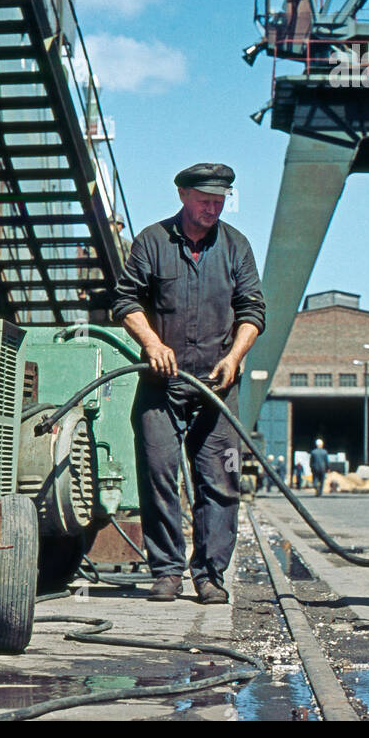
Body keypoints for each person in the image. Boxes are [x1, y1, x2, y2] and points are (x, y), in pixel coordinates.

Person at [111, 162, 264, 604]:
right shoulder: (152, 241)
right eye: (204, 201)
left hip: (217, 384)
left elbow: (254, 310)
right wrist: (152, 343)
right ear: (182, 195)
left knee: (220, 479)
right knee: (159, 471)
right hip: (161, 382)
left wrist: (235, 357)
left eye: (219, 202)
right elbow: (125, 300)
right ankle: (166, 571)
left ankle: (211, 575)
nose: (212, 209)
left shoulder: (237, 247)